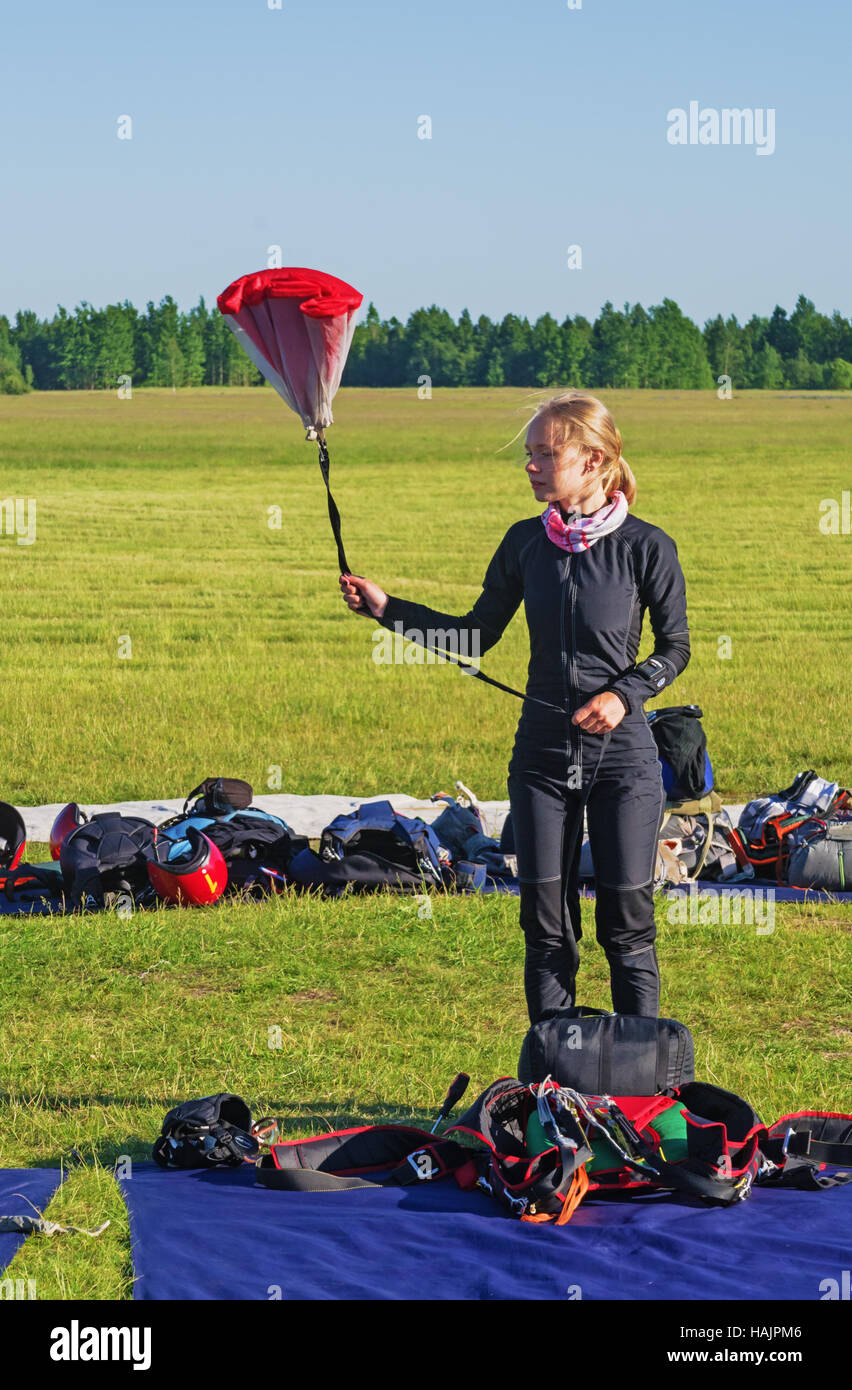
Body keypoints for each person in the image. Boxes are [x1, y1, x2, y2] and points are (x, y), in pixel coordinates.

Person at [339, 391, 690, 1023]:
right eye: (529, 454)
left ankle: (644, 1083)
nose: (530, 465)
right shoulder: (526, 543)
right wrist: (389, 610)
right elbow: (475, 635)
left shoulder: (647, 547)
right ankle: (552, 1080)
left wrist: (622, 695)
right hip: (543, 757)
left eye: (544, 454)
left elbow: (676, 647)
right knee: (546, 924)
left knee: (626, 924)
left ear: (593, 458)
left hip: (624, 760)